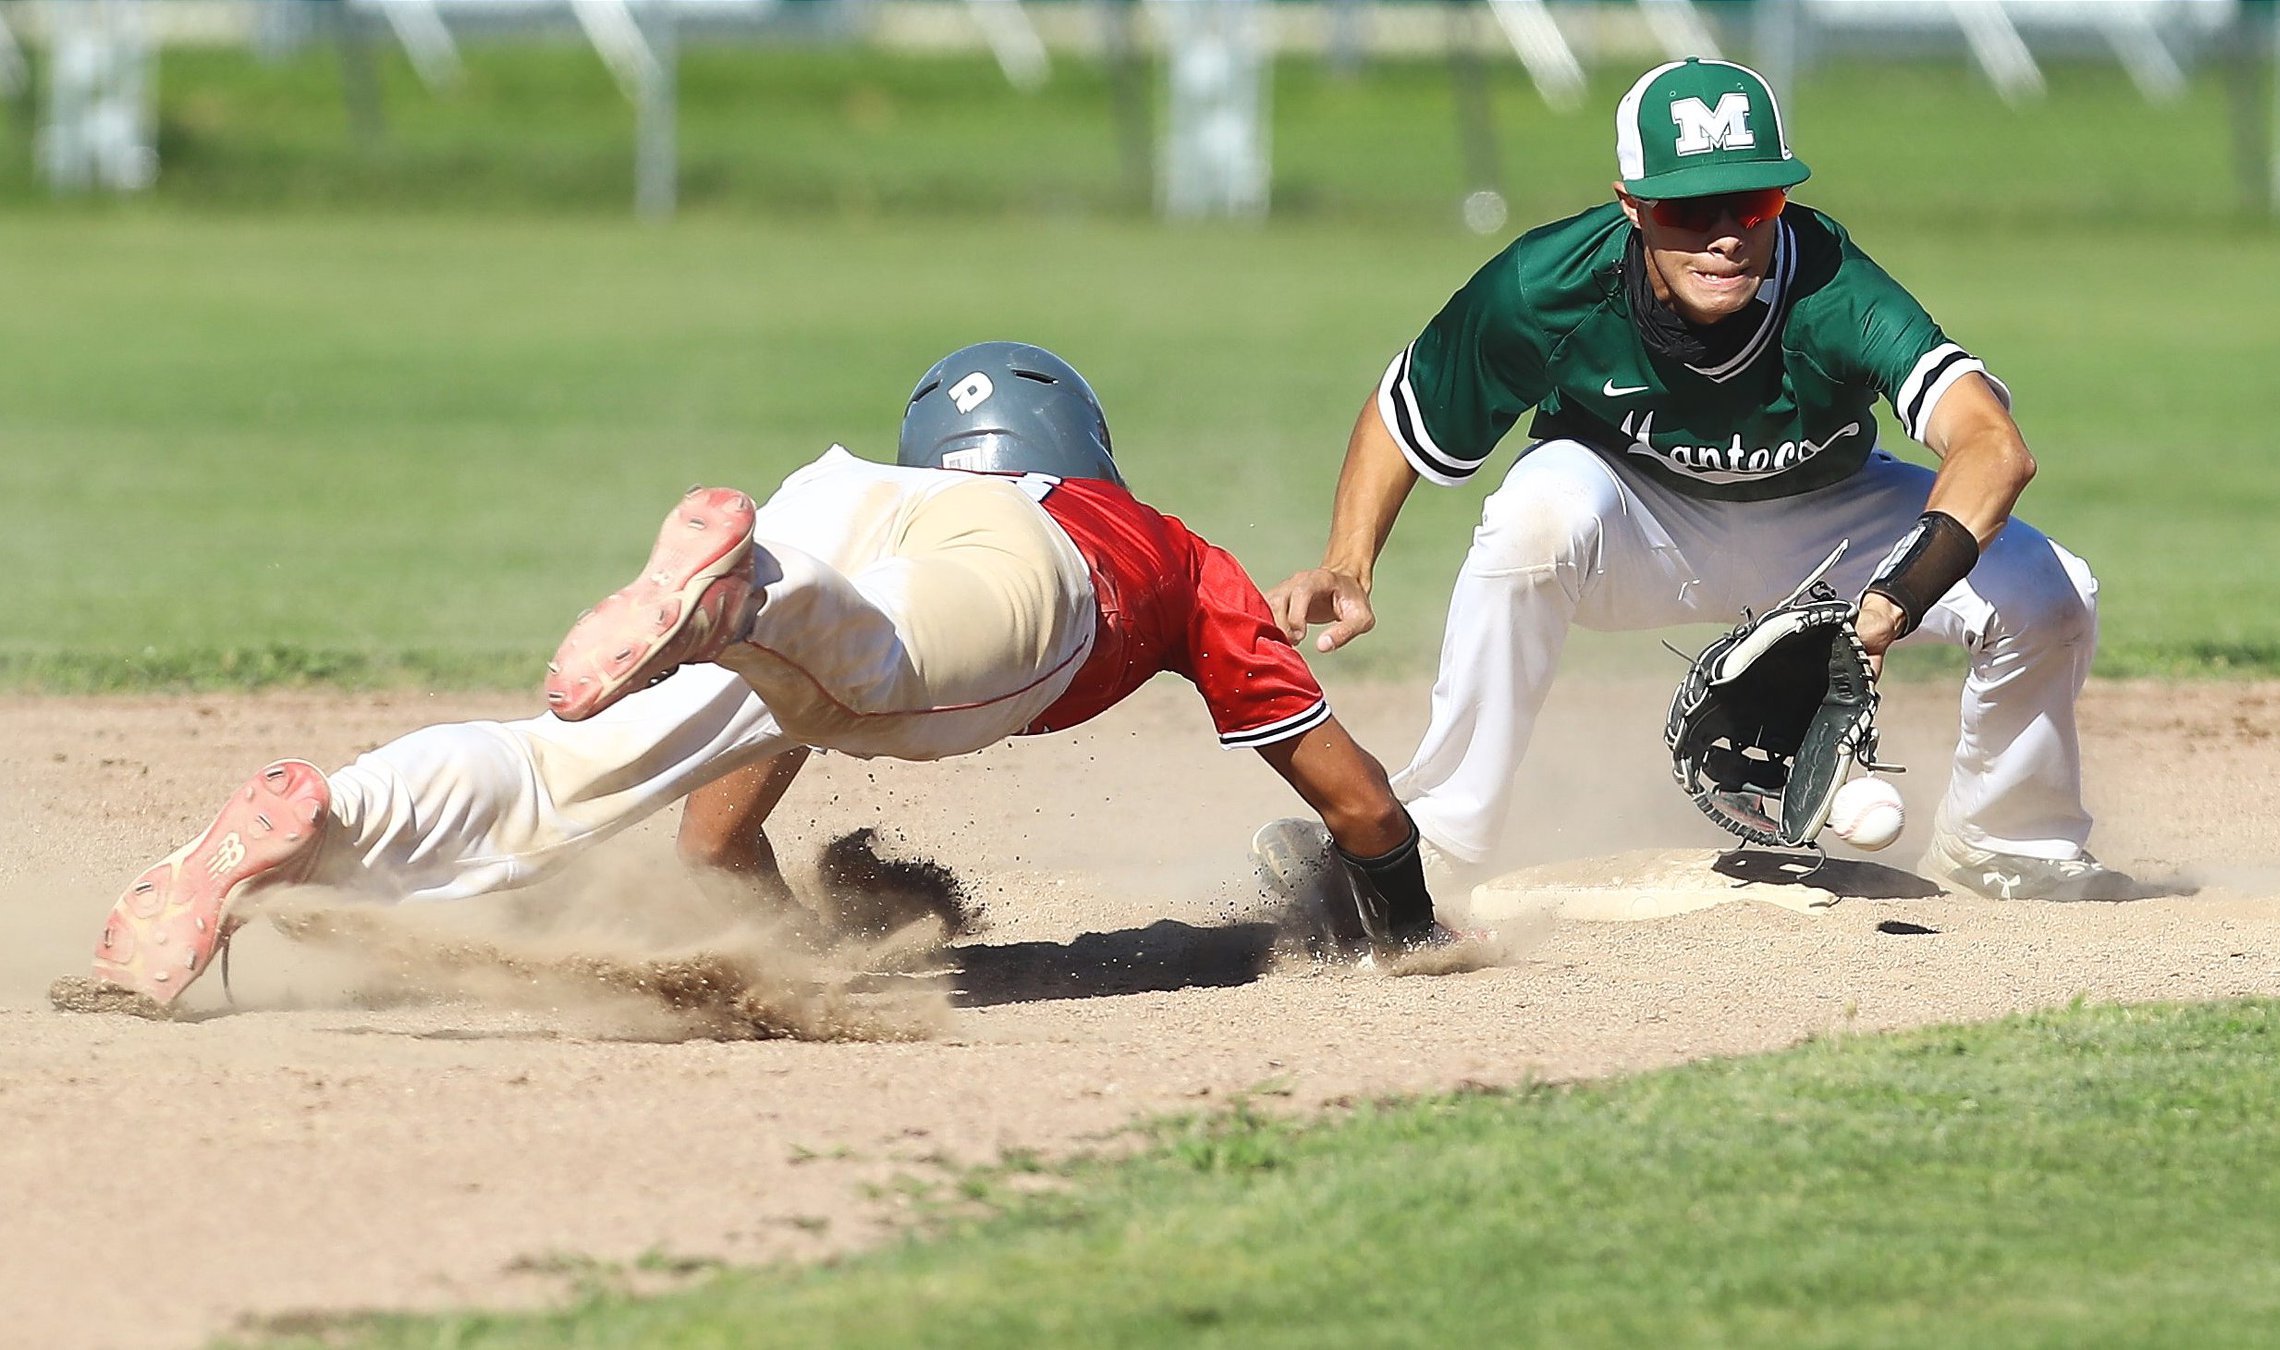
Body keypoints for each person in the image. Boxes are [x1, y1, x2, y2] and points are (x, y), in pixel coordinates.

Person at [87, 342, 1458, 1009]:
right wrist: (1405, 927)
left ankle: (318, 827)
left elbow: (714, 834)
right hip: (993, 575)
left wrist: (785, 955)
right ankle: (747, 599)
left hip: (824, 506)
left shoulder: (885, 482)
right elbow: (1364, 814)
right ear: (1087, 446)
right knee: (899, 660)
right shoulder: (1156, 543)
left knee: (561, 766)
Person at [1261, 58, 2136, 903]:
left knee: (2049, 592)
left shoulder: (1831, 284)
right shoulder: (1545, 287)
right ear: (1632, 206)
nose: (1724, 234)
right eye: (1686, 209)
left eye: (1753, 203)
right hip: (1633, 522)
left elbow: (1991, 445)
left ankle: (2008, 842)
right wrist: (1348, 561)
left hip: (1831, 519)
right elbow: (1403, 408)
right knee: (1535, 516)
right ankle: (1437, 840)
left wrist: (1896, 600)